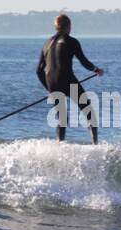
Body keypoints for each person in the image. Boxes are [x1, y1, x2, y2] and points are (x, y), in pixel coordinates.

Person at [36, 14, 104, 142]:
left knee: (62, 118)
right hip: (67, 80)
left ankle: (59, 144)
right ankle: (96, 144)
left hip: (52, 83)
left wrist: (49, 89)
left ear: (56, 27)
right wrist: (96, 70)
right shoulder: (71, 41)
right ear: (68, 26)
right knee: (88, 110)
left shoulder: (46, 43)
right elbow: (84, 62)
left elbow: (39, 70)